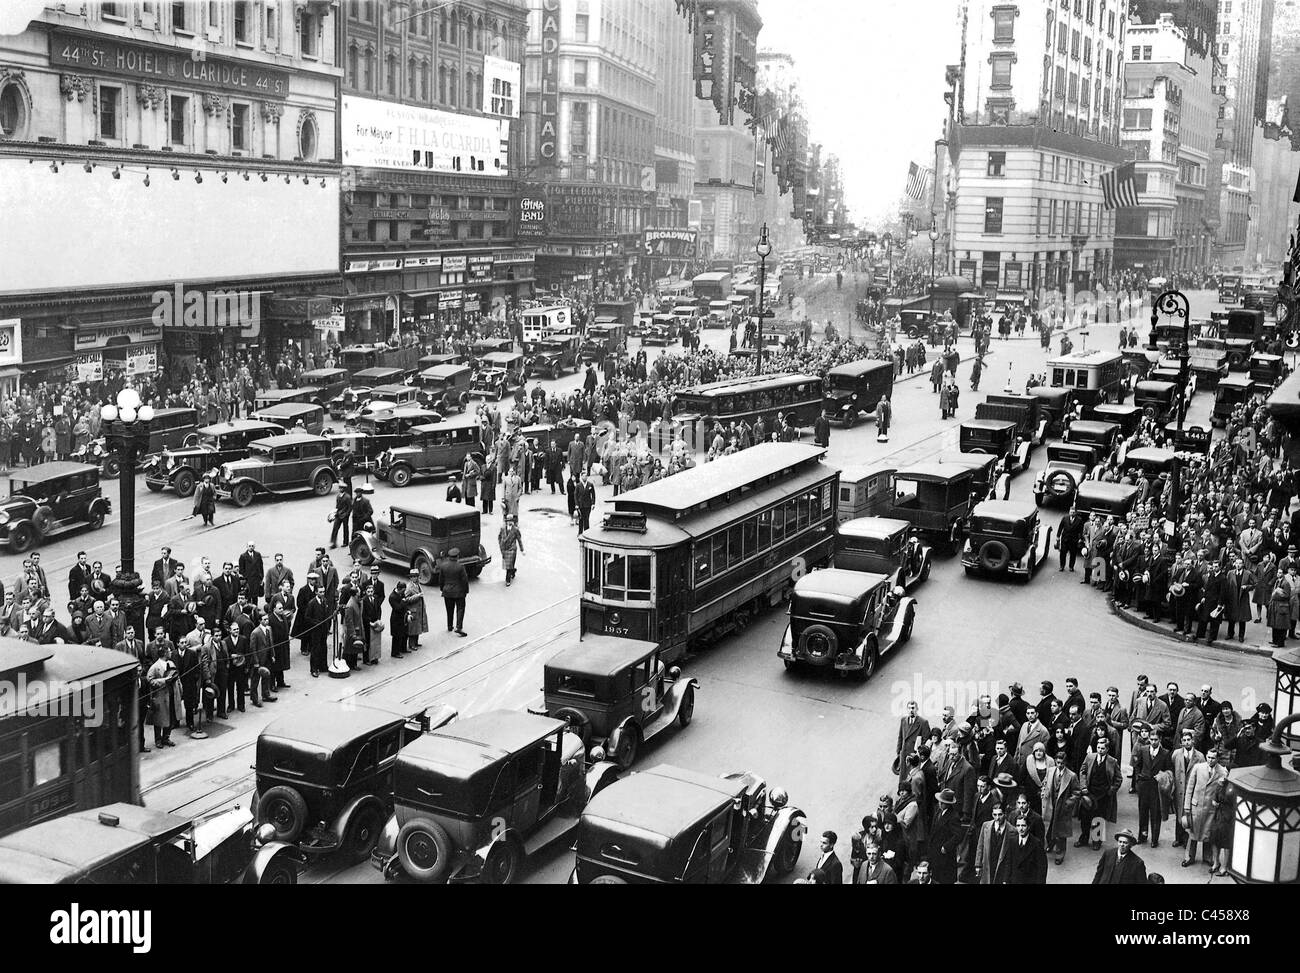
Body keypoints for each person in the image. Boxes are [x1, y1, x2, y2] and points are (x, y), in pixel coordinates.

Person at [146, 644, 181, 749]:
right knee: (159, 720)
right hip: (160, 697)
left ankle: (166, 737)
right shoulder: (155, 667)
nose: (171, 653)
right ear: (165, 653)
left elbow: (176, 676)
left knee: (170, 717)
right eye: (169, 651)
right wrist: (164, 680)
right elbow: (150, 680)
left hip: (171, 694)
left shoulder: (171, 663)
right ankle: (158, 740)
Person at [436, 548, 469, 637]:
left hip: (447, 591)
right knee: (460, 609)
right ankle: (458, 627)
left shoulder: (443, 566)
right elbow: (464, 580)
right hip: (459, 592)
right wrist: (466, 591)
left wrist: (442, 589)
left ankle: (450, 626)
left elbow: (441, 580)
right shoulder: (460, 567)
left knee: (449, 609)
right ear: (457, 556)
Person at [498, 516, 524, 586]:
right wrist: (500, 545)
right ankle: (513, 571)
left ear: (513, 522)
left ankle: (507, 580)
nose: (509, 522)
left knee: (508, 566)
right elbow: (499, 537)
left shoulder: (515, 530)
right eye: (508, 521)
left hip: (512, 549)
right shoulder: (502, 529)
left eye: (511, 521)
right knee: (509, 565)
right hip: (505, 549)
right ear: (506, 522)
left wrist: (522, 550)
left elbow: (519, 540)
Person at [330, 484, 352, 549]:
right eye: (339, 488)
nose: (340, 489)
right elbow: (337, 506)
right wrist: (335, 512)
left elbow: (350, 507)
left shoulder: (347, 497)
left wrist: (347, 514)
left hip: (344, 515)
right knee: (335, 528)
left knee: (345, 528)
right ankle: (333, 543)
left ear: (344, 489)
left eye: (341, 488)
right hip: (338, 515)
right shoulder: (338, 496)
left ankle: (345, 542)